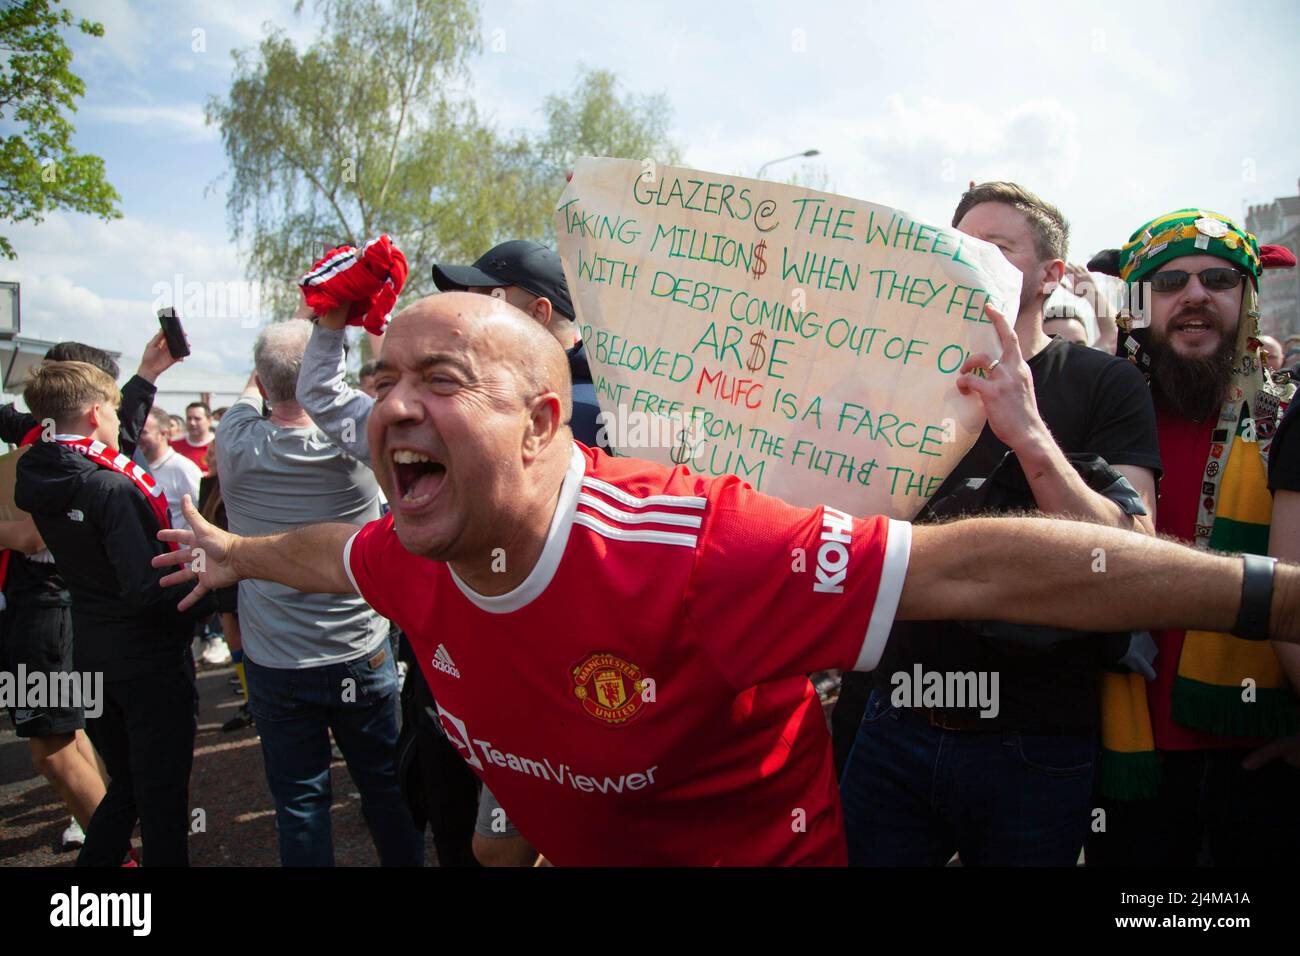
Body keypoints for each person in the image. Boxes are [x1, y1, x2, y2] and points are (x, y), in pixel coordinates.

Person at [153, 291, 1300, 866]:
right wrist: (233, 553)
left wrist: (1271, 594)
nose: (394, 402)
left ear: (547, 421)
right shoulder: (408, 549)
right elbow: (333, 556)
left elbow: (976, 567)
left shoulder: (700, 549)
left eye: (439, 377)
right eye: (384, 373)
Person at [834, 181, 1162, 866]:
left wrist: (1029, 433)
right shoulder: (900, 384)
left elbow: (1134, 552)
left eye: (995, 248)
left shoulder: (1106, 384)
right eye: (958, 247)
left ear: (1050, 275)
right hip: (892, 723)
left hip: (1035, 744)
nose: (968, 262)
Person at [296, 238, 605, 867]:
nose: (464, 308)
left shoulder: (629, 406)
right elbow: (327, 400)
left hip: (573, 693)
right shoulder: (438, 413)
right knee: (464, 832)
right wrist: (333, 321)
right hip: (450, 682)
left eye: (487, 296)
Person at [1086, 209, 1300, 865]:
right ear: (1136, 304)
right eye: (1170, 281)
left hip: (1261, 754)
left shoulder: (1287, 414)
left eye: (1219, 279)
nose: (1197, 295)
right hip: (1121, 752)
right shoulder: (1090, 417)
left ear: (1248, 298)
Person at [217, 319, 422, 867]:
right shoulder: (361, 450)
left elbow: (252, 391)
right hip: (358, 647)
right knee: (385, 786)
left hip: (276, 659)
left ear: (261, 385)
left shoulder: (234, 441)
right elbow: (347, 403)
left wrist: (272, 372)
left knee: (301, 802)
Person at [17, 359, 209, 866]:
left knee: (127, 787)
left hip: (91, 653)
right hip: (146, 660)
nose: (120, 426)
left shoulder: (41, 470)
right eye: (116, 413)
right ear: (97, 411)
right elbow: (146, 589)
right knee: (163, 797)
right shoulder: (110, 486)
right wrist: (206, 583)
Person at [0, 334, 173, 853]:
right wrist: (146, 373)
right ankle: (110, 841)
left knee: (54, 749)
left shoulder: (71, 459)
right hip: (47, 608)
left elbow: (32, 537)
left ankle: (113, 853)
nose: (41, 385)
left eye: (53, 375)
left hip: (47, 609)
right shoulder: (50, 439)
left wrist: (145, 376)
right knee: (70, 740)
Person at [135, 407, 202, 533]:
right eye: (136, 431)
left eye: (143, 432)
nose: (137, 437)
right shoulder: (135, 467)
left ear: (164, 434)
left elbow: (202, 513)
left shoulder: (183, 469)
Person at [173, 402, 215, 475]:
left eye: (197, 419)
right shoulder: (174, 445)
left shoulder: (219, 446)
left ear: (209, 420)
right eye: (189, 418)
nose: (192, 423)